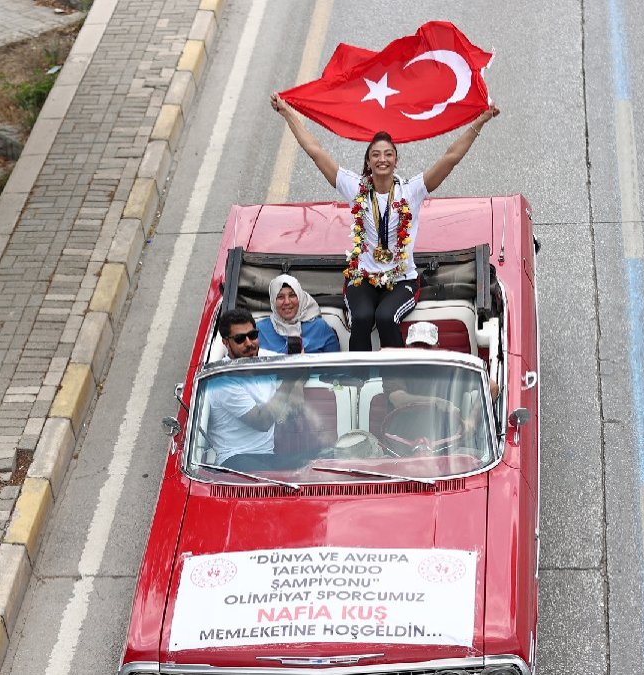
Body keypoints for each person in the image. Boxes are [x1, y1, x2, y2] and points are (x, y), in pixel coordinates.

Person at [271, 93, 500, 351]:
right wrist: (287, 112)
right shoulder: (355, 188)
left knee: (385, 317)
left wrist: (480, 121)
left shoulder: (411, 191)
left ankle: (396, 385)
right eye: (376, 155)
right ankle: (358, 382)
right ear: (368, 162)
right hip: (363, 279)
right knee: (361, 318)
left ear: (395, 160)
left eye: (388, 154)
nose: (382, 159)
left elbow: (450, 157)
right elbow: (315, 151)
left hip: (402, 280)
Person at [205, 308, 304, 471]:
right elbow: (262, 422)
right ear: (225, 342)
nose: (249, 343)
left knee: (314, 464)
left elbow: (300, 365)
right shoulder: (224, 380)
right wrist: (289, 382)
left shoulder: (263, 358)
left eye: (252, 335)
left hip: (267, 456)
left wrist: (298, 386)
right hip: (234, 459)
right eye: (240, 339)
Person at [256, 274, 340, 354]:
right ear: (273, 301)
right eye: (280, 297)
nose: (287, 302)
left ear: (300, 297)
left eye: (292, 295)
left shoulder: (320, 327)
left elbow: (336, 365)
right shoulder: (260, 330)